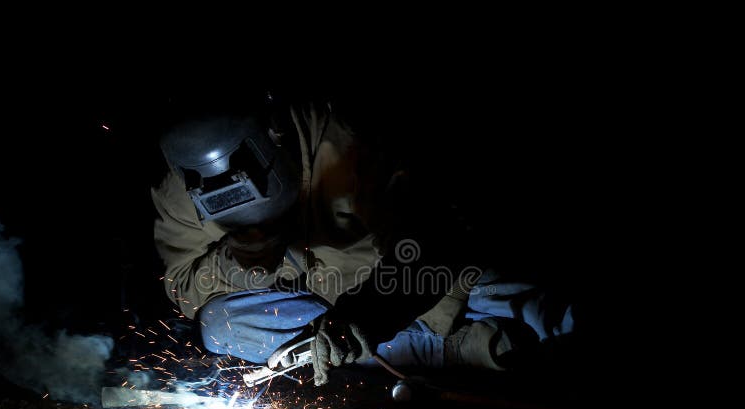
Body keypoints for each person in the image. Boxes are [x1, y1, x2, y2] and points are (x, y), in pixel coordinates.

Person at [151, 92, 576, 386]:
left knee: (544, 311)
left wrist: (370, 314)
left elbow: (432, 242)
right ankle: (445, 352)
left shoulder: (345, 142)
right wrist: (240, 260)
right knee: (219, 327)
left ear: (272, 138)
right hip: (316, 307)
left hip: (405, 285)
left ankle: (438, 340)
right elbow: (184, 288)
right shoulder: (180, 190)